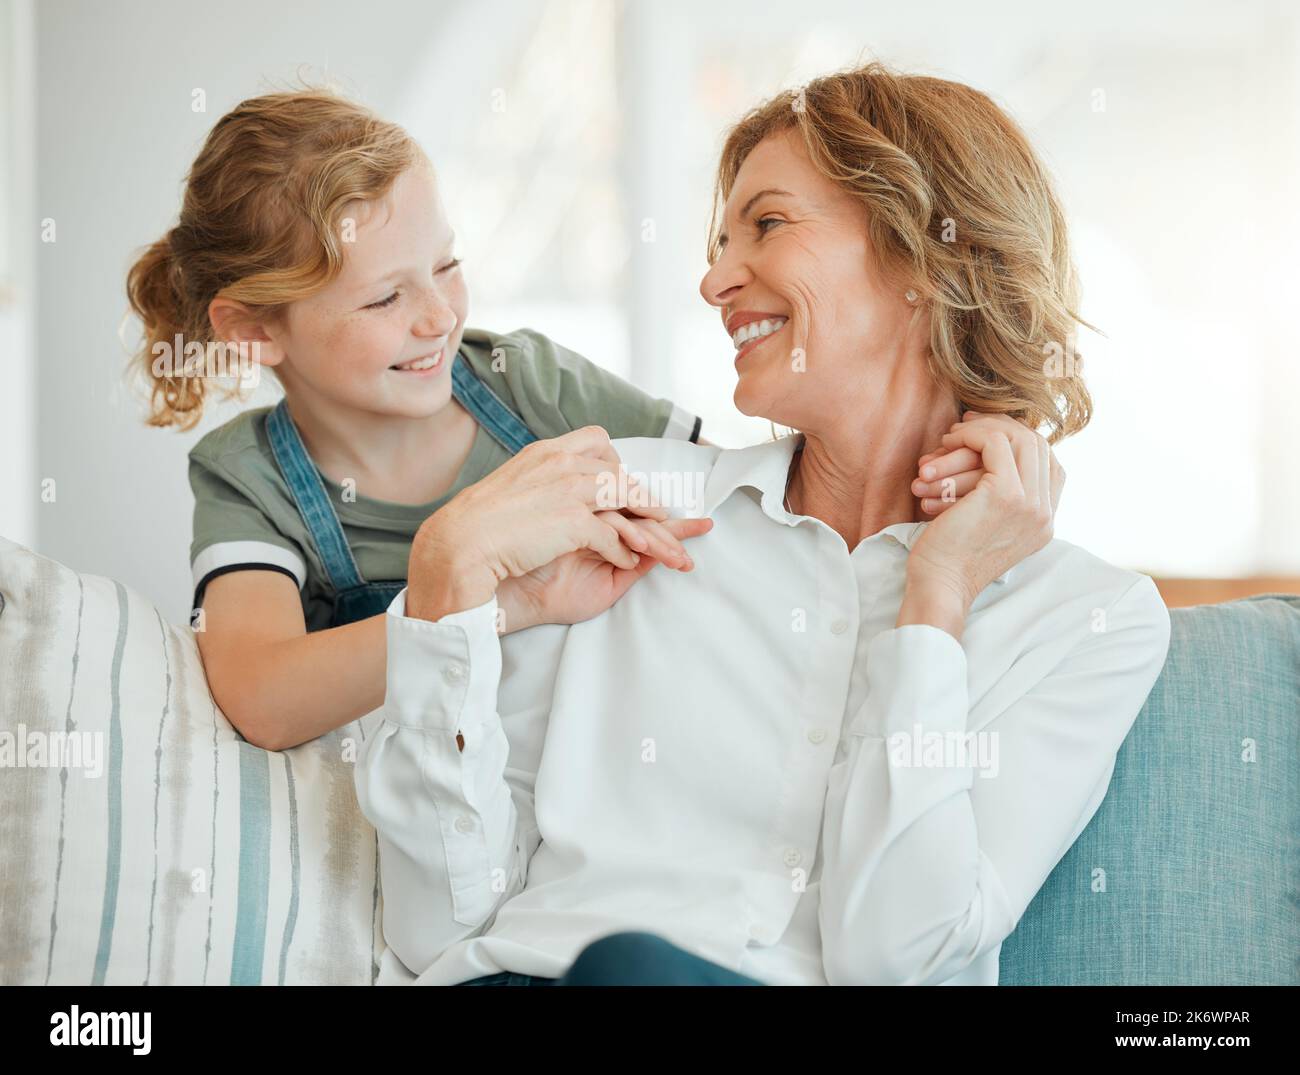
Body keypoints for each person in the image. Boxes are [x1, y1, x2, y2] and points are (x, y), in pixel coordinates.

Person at [355, 61, 1168, 987]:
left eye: (768, 225)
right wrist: (448, 582)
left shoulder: (1088, 621)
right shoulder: (627, 499)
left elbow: (895, 960)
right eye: (718, 239)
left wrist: (936, 602)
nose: (713, 281)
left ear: (923, 255)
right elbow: (436, 930)